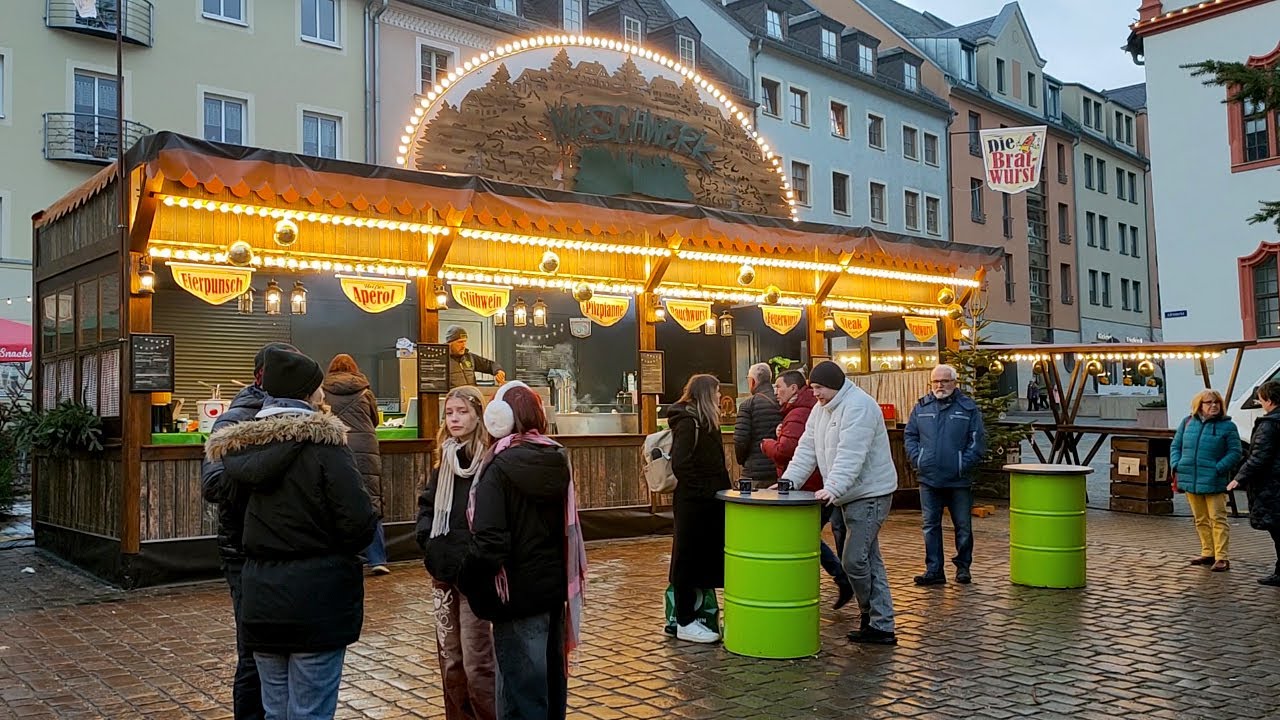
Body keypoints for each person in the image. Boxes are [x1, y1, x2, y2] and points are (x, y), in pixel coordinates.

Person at [206, 346, 377, 720]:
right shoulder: (327, 448)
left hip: (262, 594)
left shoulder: (239, 449)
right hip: (319, 598)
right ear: (308, 393)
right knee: (310, 711)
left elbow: (230, 520)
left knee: (275, 710)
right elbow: (359, 523)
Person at [460, 382, 586, 720]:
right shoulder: (556, 457)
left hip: (513, 594)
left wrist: (467, 578)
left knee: (521, 690)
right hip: (552, 590)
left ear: (497, 419)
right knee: (547, 684)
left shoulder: (496, 468)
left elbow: (489, 543)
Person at [201, 341, 297, 720]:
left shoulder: (301, 418)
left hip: (287, 551)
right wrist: (262, 467)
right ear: (263, 377)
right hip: (243, 552)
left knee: (288, 651)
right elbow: (213, 485)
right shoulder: (232, 421)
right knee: (253, 653)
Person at [780, 361, 898, 645]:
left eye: (819, 387)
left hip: (869, 494)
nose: (815, 393)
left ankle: (874, 617)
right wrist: (788, 482)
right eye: (813, 387)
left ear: (834, 384)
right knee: (868, 560)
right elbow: (806, 448)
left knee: (855, 560)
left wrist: (832, 487)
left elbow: (851, 454)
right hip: (844, 495)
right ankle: (879, 622)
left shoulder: (859, 407)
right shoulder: (821, 410)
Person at [415, 386, 497, 720]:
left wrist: (475, 557)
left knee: (477, 662)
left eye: (462, 411)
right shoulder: (444, 462)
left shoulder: (490, 462)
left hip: (475, 576)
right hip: (443, 573)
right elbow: (428, 506)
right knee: (451, 660)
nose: (454, 419)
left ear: (478, 415)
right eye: (449, 413)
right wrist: (427, 541)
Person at [762, 369, 854, 610]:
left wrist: (767, 444)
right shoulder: (809, 410)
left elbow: (787, 451)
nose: (776, 392)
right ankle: (841, 579)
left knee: (803, 538)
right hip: (814, 486)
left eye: (779, 387)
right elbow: (804, 450)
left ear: (793, 389)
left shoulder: (801, 412)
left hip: (813, 490)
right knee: (806, 537)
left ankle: (840, 580)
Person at [904, 364, 986, 587]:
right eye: (936, 381)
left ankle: (963, 567)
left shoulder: (967, 408)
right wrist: (917, 459)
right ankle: (934, 570)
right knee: (930, 525)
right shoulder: (922, 407)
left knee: (963, 526)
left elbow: (977, 441)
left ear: (954, 383)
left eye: (944, 381)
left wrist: (962, 464)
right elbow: (910, 435)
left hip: (959, 479)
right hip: (928, 478)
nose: (940, 385)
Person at [666, 374, 732, 644]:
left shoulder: (702, 420)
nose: (719, 397)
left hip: (706, 502)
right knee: (687, 559)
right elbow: (681, 464)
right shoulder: (688, 421)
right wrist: (705, 490)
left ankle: (693, 617)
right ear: (706, 394)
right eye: (716, 392)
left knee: (699, 558)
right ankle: (684, 621)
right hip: (695, 503)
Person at [324, 354, 389, 575]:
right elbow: (375, 420)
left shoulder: (322, 391)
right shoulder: (365, 391)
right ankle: (377, 558)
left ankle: (344, 557)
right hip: (365, 448)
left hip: (336, 446)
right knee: (370, 501)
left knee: (337, 502)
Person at [1171, 390, 1242, 573]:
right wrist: (1176, 464)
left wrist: (1218, 468)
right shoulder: (1187, 423)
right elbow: (1176, 445)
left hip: (1213, 480)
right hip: (1190, 477)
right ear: (1199, 405)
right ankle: (1207, 551)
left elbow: (1235, 452)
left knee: (1218, 519)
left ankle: (1221, 557)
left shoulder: (1228, 427)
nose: (1214, 405)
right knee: (1200, 518)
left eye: (1216, 402)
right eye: (1209, 402)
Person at [1229, 380, 1280, 585]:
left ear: (1268, 400)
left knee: (1277, 529)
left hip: (1273, 484)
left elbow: (1259, 456)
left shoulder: (1269, 424)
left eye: (1260, 399)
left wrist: (1238, 478)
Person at [734, 362, 783, 489]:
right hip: (779, 469)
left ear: (753, 381)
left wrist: (742, 461)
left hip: (754, 471)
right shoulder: (783, 401)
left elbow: (740, 440)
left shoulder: (748, 405)